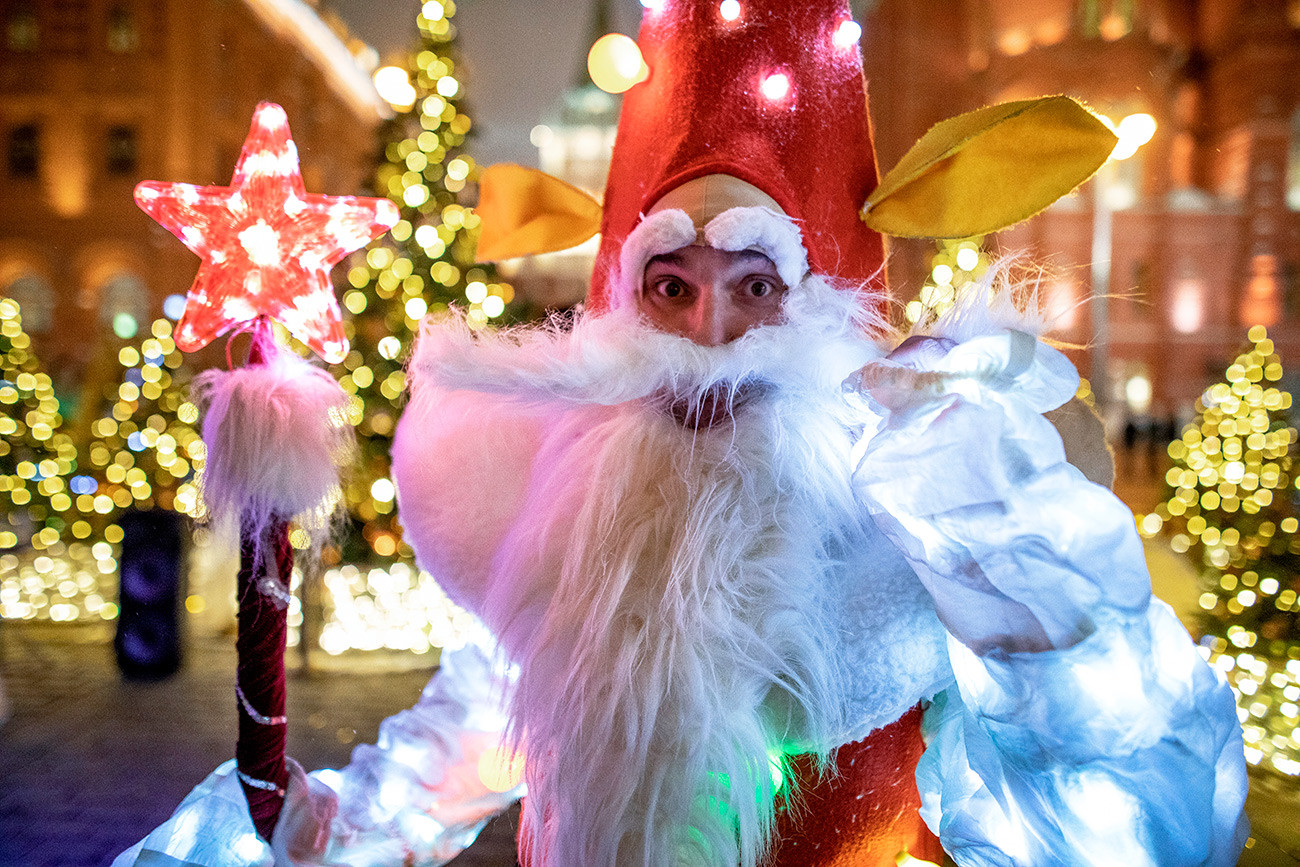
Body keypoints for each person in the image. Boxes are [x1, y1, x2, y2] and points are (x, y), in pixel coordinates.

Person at [116, 2, 1249, 865]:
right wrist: (330, 829)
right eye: (669, 286)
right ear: (617, 302)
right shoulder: (579, 530)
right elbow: (467, 736)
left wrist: (1030, 574)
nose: (710, 334)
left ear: (821, 308)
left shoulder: (906, 550)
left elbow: (1148, 819)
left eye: (756, 286)